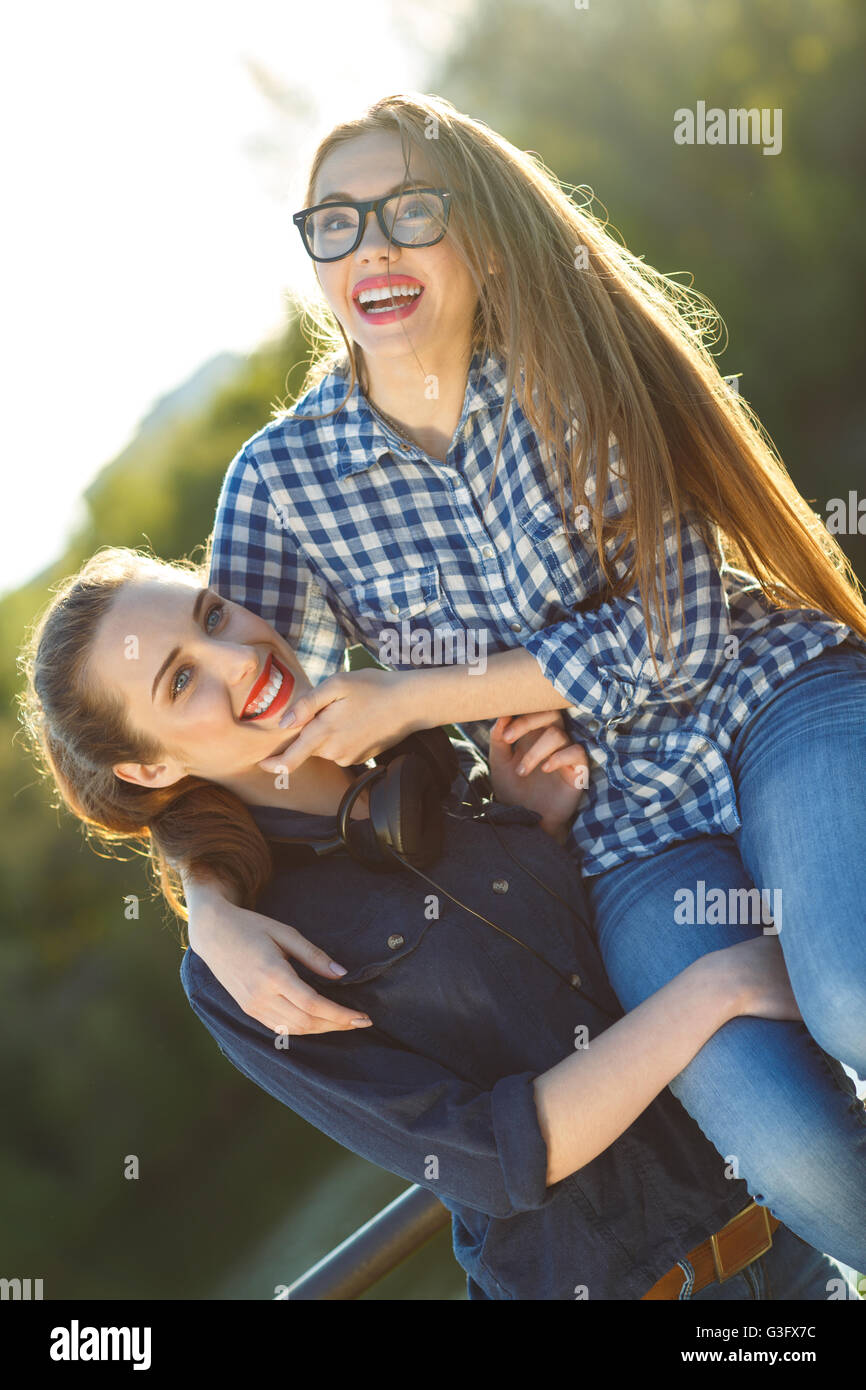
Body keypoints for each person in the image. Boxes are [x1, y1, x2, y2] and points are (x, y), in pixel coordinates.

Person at [180, 92, 866, 1261]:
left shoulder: (566, 367)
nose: (372, 247)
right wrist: (208, 903)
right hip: (623, 838)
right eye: (334, 225)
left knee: (849, 987)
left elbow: (679, 633)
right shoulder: (281, 483)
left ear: (481, 240)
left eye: (406, 210)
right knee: (778, 1130)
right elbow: (209, 723)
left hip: (768, 705)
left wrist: (417, 697)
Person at [19, 548, 863, 1299]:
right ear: (149, 765)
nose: (239, 659)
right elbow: (500, 1159)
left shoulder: (420, 742)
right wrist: (713, 990)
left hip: (783, 1237)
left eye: (212, 614)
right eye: (179, 680)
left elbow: (568, 961)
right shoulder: (244, 964)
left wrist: (530, 828)